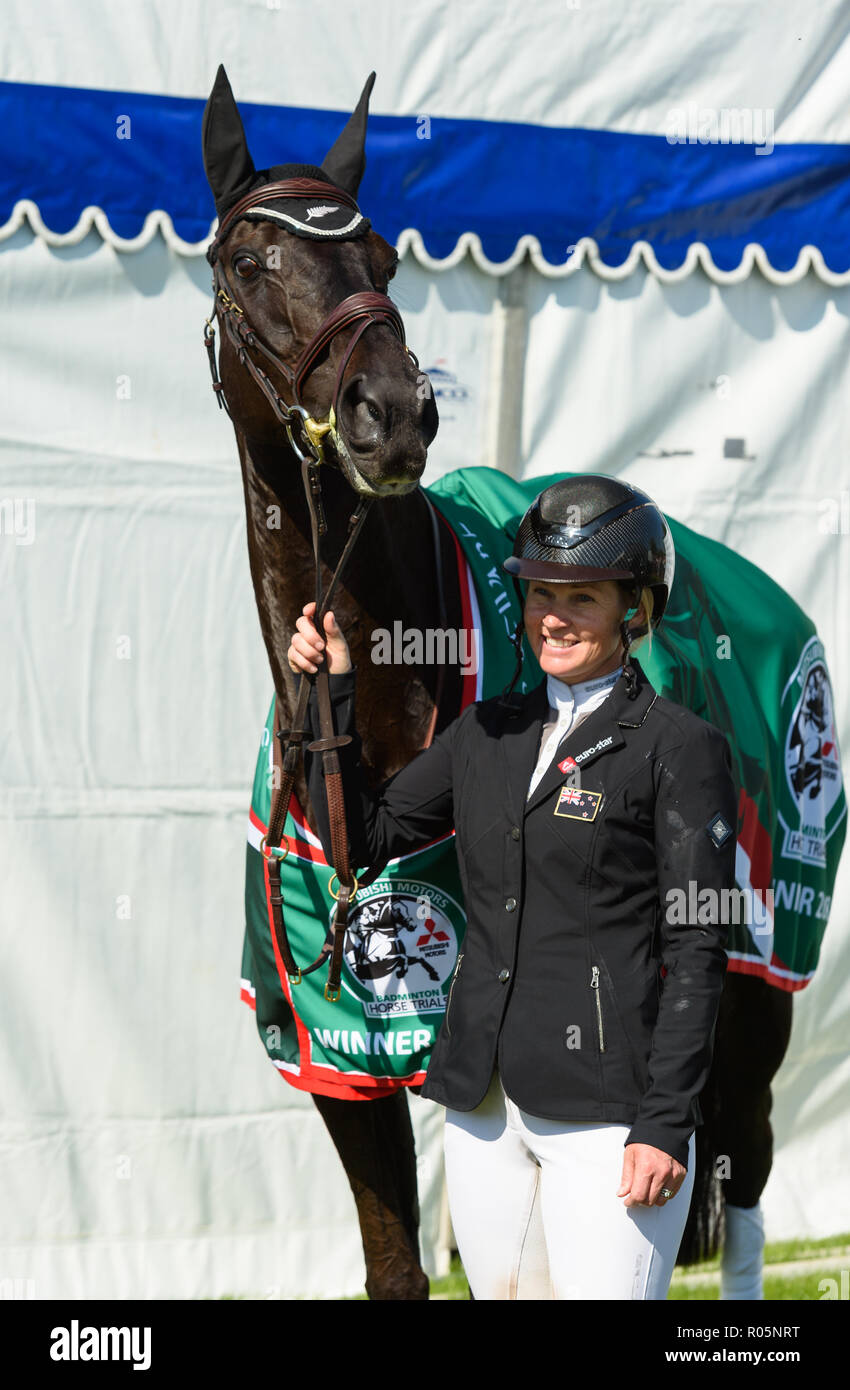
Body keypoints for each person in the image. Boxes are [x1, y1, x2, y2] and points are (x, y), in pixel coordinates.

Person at [289, 475, 738, 1300]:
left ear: (635, 610)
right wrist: (333, 694)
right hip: (483, 1105)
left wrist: (666, 1119)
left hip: (610, 1115)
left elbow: (698, 943)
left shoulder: (683, 748)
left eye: (583, 598)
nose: (553, 617)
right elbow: (369, 839)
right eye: (539, 593)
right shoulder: (488, 729)